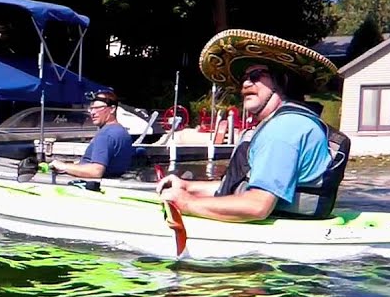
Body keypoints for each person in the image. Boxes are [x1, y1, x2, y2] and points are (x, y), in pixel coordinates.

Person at [157, 29, 350, 222]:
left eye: (256, 75)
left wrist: (186, 203)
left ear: (282, 80)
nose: (245, 84)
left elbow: (257, 205)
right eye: (244, 78)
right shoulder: (287, 123)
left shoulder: (284, 128)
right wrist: (188, 187)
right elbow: (240, 185)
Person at [49, 90, 134, 179]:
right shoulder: (122, 132)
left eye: (97, 108)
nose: (92, 112)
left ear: (112, 109)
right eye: (91, 108)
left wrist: (63, 166)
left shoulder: (105, 135)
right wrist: (74, 166)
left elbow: (96, 171)